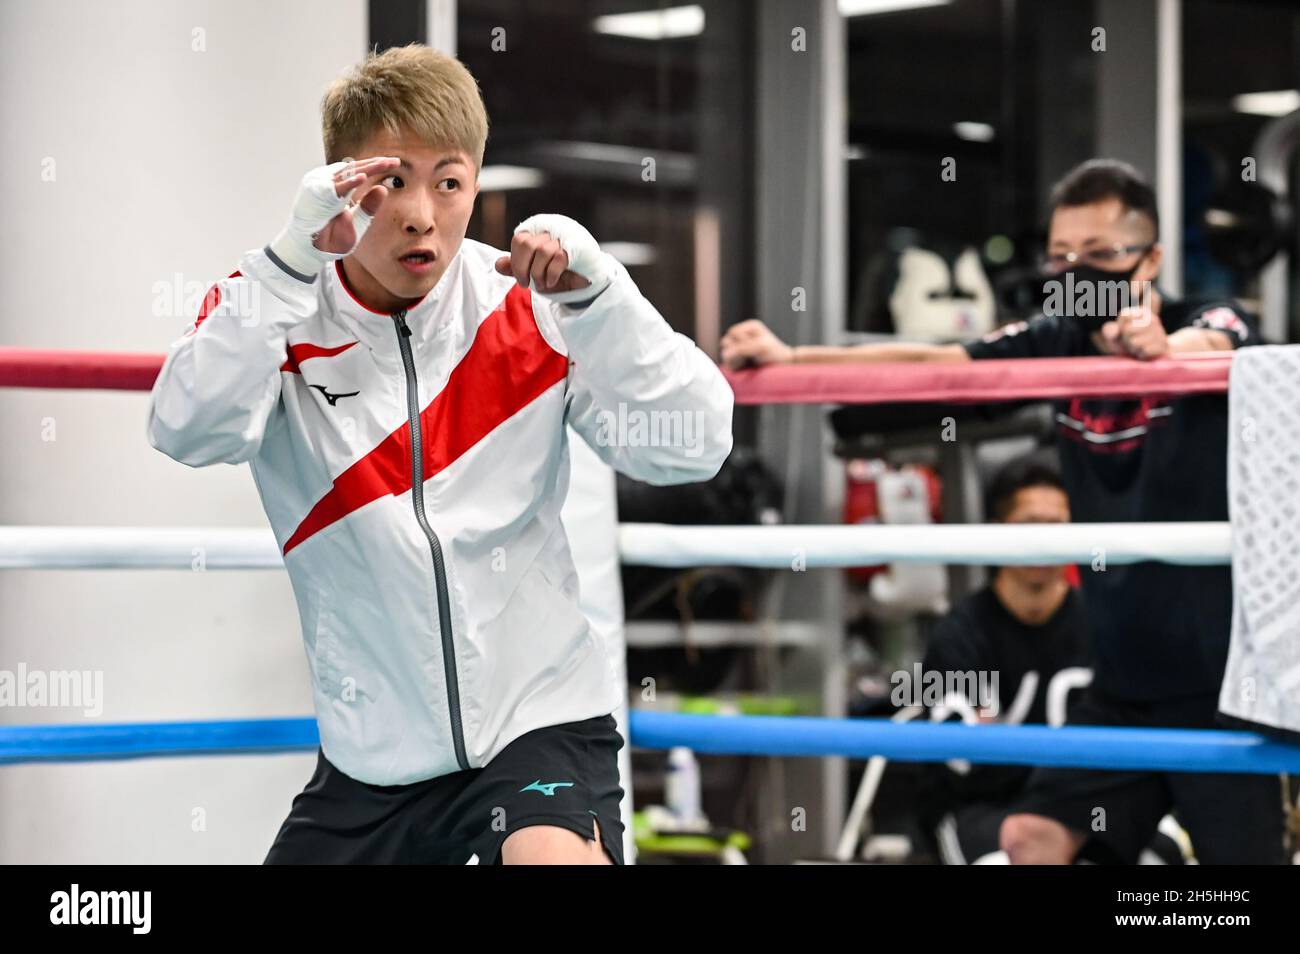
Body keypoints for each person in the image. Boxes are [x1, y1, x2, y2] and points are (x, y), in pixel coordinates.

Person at [147, 45, 733, 865]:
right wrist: (286, 262)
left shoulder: (532, 311)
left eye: (449, 182)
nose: (421, 212)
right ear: (343, 185)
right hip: (372, 762)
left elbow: (699, 445)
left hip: (538, 726)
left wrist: (608, 301)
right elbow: (185, 429)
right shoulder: (274, 308)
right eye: (392, 181)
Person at [723, 159, 1286, 864]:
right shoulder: (1058, 340)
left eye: (1101, 256)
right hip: (1123, 684)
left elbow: (1224, 341)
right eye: (1062, 257)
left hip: (1222, 685)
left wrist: (1164, 351)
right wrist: (793, 357)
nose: (1077, 272)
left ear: (1151, 259)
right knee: (1031, 838)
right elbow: (944, 364)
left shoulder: (1203, 319)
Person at [921, 458, 1090, 864]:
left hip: (1080, 806)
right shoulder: (960, 635)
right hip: (985, 811)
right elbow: (960, 765)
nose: (1045, 541)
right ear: (998, 532)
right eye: (1030, 525)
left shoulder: (1102, 626)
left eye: (1058, 527)